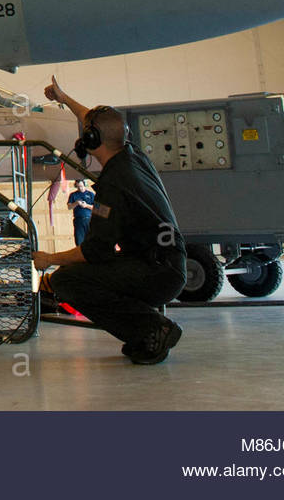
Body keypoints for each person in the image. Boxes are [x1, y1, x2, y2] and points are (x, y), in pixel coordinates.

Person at [32, 76, 187, 365]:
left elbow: (94, 251)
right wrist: (64, 99)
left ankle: (154, 329)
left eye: (87, 132)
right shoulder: (133, 155)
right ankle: (144, 335)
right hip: (166, 264)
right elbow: (101, 124)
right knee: (92, 272)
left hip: (156, 273)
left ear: (92, 139)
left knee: (65, 280)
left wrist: (48, 259)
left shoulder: (113, 184)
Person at [67, 178, 94, 246]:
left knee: (91, 239)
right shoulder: (73, 195)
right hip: (78, 220)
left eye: (81, 186)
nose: (80, 188)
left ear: (84, 185)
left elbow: (96, 208)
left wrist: (86, 205)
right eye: (78, 187)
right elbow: (69, 207)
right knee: (79, 240)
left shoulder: (91, 194)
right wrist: (76, 203)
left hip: (89, 219)